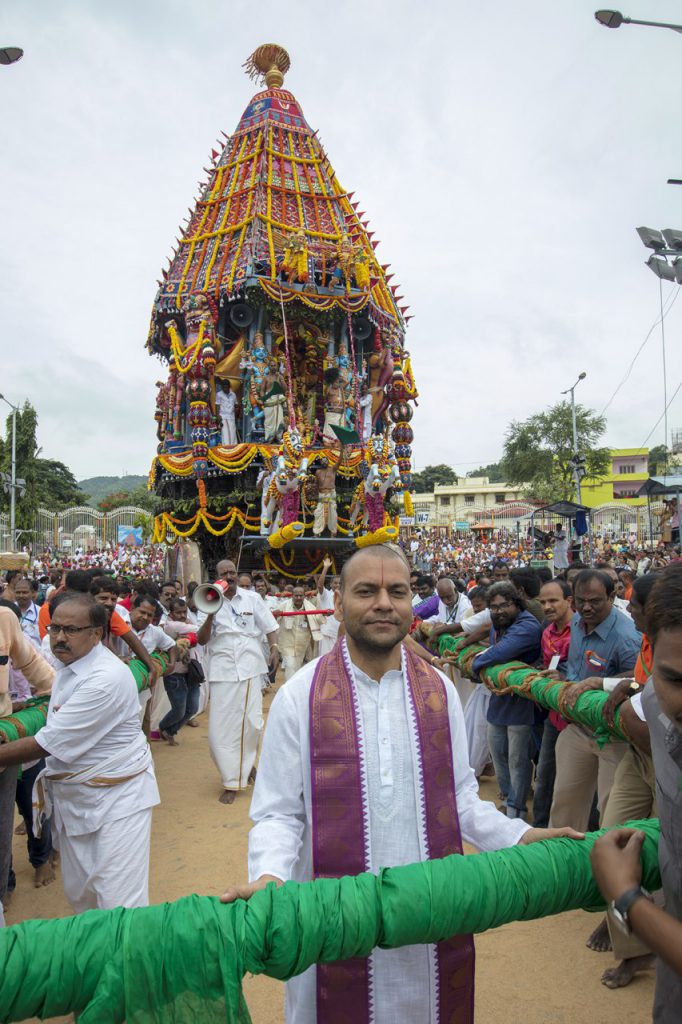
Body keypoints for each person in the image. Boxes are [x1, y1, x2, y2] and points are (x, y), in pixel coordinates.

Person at [222, 545, 580, 1024]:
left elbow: (461, 800)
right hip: (334, 921)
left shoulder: (440, 690)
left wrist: (519, 835)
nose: (383, 604)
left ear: (413, 601)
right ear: (339, 601)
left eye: (397, 591)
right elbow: (279, 813)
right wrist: (270, 876)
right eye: (366, 591)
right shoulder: (299, 695)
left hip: (426, 919)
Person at [0, 594, 159, 914]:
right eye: (55, 628)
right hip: (78, 798)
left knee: (118, 902)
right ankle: (97, 961)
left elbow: (48, 742)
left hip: (118, 799)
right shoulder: (69, 664)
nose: (59, 637)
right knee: (83, 896)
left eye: (71, 630)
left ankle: (127, 963)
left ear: (97, 633)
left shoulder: (106, 679)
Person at [590, 563, 682, 1021]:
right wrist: (627, 690)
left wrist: (629, 898)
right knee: (616, 830)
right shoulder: (652, 693)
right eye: (677, 681)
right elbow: (643, 686)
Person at [549, 569, 641, 833]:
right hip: (577, 728)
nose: (586, 607)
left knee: (611, 812)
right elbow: (578, 668)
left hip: (612, 737)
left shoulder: (626, 635)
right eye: (581, 601)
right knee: (565, 802)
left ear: (611, 597)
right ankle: (561, 862)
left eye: (595, 601)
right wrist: (562, 673)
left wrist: (599, 683)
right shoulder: (577, 623)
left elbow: (638, 680)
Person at [196, 560, 279, 805]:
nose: (229, 576)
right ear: (217, 575)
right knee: (220, 730)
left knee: (251, 723)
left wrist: (274, 647)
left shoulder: (252, 598)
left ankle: (239, 774)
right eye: (224, 573)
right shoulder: (207, 597)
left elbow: (270, 627)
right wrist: (211, 612)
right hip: (222, 670)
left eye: (232, 572)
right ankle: (231, 776)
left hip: (251, 666)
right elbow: (202, 639)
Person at [0, 606, 55, 923]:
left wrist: (57, 699)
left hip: (5, 750)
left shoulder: (4, 620)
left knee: (4, 831)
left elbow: (41, 673)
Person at [472, 582, 543, 820]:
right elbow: (495, 650)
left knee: (517, 759)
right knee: (498, 752)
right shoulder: (498, 624)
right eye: (494, 607)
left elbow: (500, 652)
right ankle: (508, 797)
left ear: (517, 603)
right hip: (499, 700)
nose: (499, 610)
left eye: (505, 605)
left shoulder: (528, 625)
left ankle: (517, 809)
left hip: (521, 703)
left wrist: (476, 665)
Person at [532, 578, 574, 828]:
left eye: (553, 601)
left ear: (569, 601)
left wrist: (565, 676)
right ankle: (538, 828)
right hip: (553, 717)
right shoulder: (546, 630)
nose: (547, 607)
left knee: (571, 781)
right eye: (543, 602)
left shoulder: (582, 629)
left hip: (578, 720)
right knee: (545, 775)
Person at [160, 598, 203, 745]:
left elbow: (197, 635)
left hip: (190, 671)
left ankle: (169, 731)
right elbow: (199, 631)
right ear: (171, 614)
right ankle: (164, 728)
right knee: (179, 709)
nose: (183, 615)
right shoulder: (171, 626)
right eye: (178, 612)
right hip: (175, 673)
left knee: (192, 709)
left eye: (184, 612)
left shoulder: (186, 623)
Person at [276, 585, 325, 681]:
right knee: (290, 666)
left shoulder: (310, 608)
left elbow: (319, 619)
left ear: (304, 596)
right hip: (287, 643)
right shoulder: (284, 606)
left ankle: (293, 689)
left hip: (301, 645)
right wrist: (275, 614)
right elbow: (272, 618)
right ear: (292, 596)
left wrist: (325, 613)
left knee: (296, 668)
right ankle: (290, 690)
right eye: (296, 595)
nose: (298, 598)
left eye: (301, 596)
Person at [315, 558, 341, 656]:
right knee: (326, 660)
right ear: (330, 584)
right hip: (327, 634)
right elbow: (320, 586)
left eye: (340, 583)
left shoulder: (347, 596)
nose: (338, 585)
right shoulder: (326, 595)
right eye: (335, 583)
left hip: (342, 634)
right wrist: (325, 568)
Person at [312, 459, 338, 538]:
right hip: (321, 494)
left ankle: (333, 533)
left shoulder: (333, 469)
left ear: (328, 462)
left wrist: (342, 451)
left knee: (333, 513)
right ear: (320, 463)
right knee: (318, 513)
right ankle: (316, 532)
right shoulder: (318, 472)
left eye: (326, 461)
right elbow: (316, 484)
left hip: (331, 493)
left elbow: (339, 461)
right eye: (322, 461)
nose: (324, 462)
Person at [14, 578, 40, 644]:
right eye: (18, 592)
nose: (21, 595)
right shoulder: (8, 610)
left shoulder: (40, 612)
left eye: (25, 592)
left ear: (32, 593)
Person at [215, 380, 238, 445]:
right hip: (223, 416)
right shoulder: (219, 394)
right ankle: (226, 447)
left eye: (226, 387)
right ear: (222, 387)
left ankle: (233, 447)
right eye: (223, 387)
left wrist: (236, 412)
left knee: (232, 432)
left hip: (231, 416)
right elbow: (217, 405)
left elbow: (236, 404)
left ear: (229, 386)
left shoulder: (233, 394)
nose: (225, 388)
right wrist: (218, 416)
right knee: (225, 433)